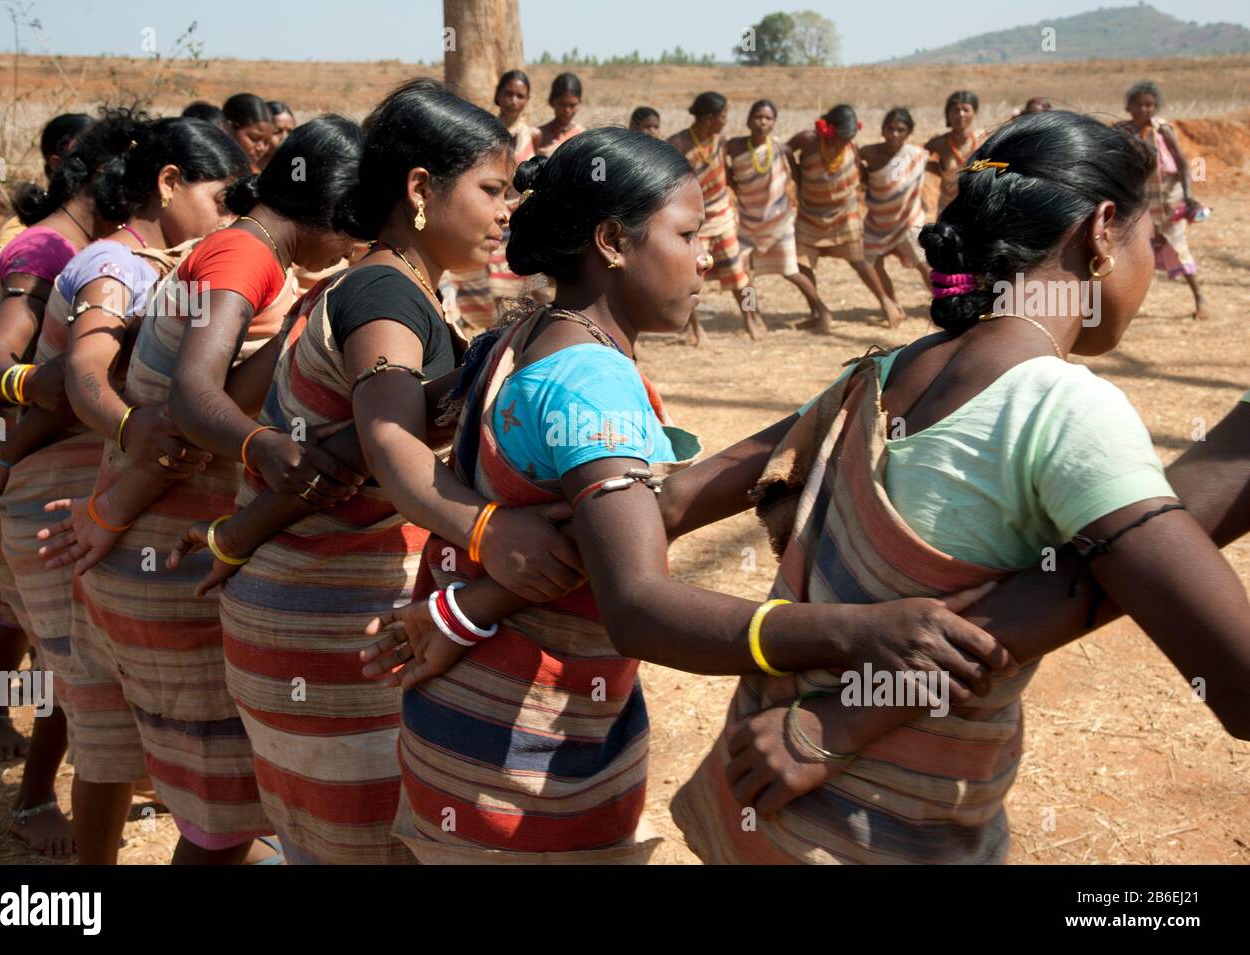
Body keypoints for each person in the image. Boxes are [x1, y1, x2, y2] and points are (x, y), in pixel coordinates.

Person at [354, 128, 1015, 863]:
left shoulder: (527, 336)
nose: (707, 257)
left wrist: (845, 401)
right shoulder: (593, 381)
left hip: (460, 735)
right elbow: (637, 607)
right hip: (526, 773)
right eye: (688, 234)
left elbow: (623, 521)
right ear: (611, 240)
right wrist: (863, 633)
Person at [666, 109, 1250, 863]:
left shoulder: (879, 375)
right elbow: (1237, 685)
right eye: (1149, 236)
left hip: (762, 824)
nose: (1151, 261)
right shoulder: (1065, 407)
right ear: (1103, 229)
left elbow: (1100, 567)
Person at [160, 79, 585, 864]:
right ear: (421, 189)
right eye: (491, 190)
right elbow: (388, 439)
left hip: (310, 615)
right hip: (330, 629)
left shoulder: (386, 285)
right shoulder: (386, 295)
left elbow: (350, 442)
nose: (505, 212)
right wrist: (493, 530)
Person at [34, 116, 361, 864]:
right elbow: (192, 405)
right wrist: (266, 449)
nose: (352, 248)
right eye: (354, 228)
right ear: (335, 209)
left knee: (126, 756)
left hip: (138, 551)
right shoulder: (246, 257)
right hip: (171, 562)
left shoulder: (237, 253)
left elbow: (218, 394)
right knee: (219, 816)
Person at [0, 116, 248, 866]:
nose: (229, 217)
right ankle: (56, 829)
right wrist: (135, 430)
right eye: (220, 197)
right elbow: (82, 376)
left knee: (100, 703)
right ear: (168, 183)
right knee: (93, 704)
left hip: (83, 490)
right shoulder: (119, 266)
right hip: (67, 497)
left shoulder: (156, 259)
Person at [0, 108, 135, 856]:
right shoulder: (54, 247)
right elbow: (0, 355)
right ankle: (32, 801)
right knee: (72, 655)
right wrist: (65, 383)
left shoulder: (57, 240)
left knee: (48, 633)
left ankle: (1, 727)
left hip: (8, 459)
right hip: (20, 467)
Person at [789, 105, 902, 329]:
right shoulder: (807, 140)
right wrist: (797, 175)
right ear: (827, 129)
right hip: (810, 214)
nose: (843, 143)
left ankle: (886, 303)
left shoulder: (853, 147)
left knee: (860, 261)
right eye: (840, 138)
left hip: (844, 214)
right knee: (802, 263)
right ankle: (818, 311)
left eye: (848, 138)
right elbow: (784, 151)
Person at [445, 70, 535, 334]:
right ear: (498, 96)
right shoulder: (485, 134)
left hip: (519, 222)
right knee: (488, 284)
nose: (513, 100)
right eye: (508, 93)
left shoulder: (533, 135)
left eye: (520, 96)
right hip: (490, 216)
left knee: (516, 286)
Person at [668, 92, 761, 344]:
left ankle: (750, 320)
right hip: (694, 220)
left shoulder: (721, 140)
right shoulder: (678, 143)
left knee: (738, 272)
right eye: (723, 117)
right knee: (693, 275)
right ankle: (697, 330)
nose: (725, 121)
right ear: (709, 118)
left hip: (722, 214)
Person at [726, 99, 824, 326]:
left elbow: (796, 177)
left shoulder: (782, 150)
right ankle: (752, 315)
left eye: (768, 118)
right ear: (749, 120)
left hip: (779, 222)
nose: (762, 122)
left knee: (791, 271)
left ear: (774, 123)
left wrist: (797, 202)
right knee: (744, 272)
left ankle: (821, 311)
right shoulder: (734, 147)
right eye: (758, 117)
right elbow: (728, 172)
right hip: (749, 223)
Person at [1116, 80, 1208, 320]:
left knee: (1177, 245)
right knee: (1136, 248)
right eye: (1140, 105)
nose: (1146, 110)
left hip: (1170, 199)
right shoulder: (1122, 132)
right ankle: (1124, 304)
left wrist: (1188, 196)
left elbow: (1182, 164)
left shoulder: (1163, 130)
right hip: (1140, 200)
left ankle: (1200, 299)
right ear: (1129, 107)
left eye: (1150, 105)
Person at [860, 107, 931, 312]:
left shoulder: (917, 155)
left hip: (908, 221)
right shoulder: (869, 152)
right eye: (890, 129)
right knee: (872, 263)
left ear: (908, 132)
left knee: (924, 265)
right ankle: (892, 305)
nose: (894, 134)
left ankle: (944, 304)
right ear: (882, 130)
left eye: (900, 129)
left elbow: (941, 170)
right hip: (877, 222)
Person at [925, 90, 985, 215]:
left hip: (979, 210)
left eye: (966, 110)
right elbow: (916, 162)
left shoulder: (984, 140)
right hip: (948, 211)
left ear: (975, 112)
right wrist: (937, 169)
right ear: (948, 114)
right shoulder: (938, 143)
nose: (961, 114)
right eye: (956, 110)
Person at [532, 72, 585, 157]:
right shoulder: (538, 136)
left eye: (572, 105)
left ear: (579, 103)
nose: (567, 110)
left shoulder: (583, 136)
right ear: (552, 102)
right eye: (562, 104)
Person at [222, 93, 275, 172]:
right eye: (254, 138)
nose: (261, 148)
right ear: (228, 128)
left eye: (266, 142)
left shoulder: (255, 174)